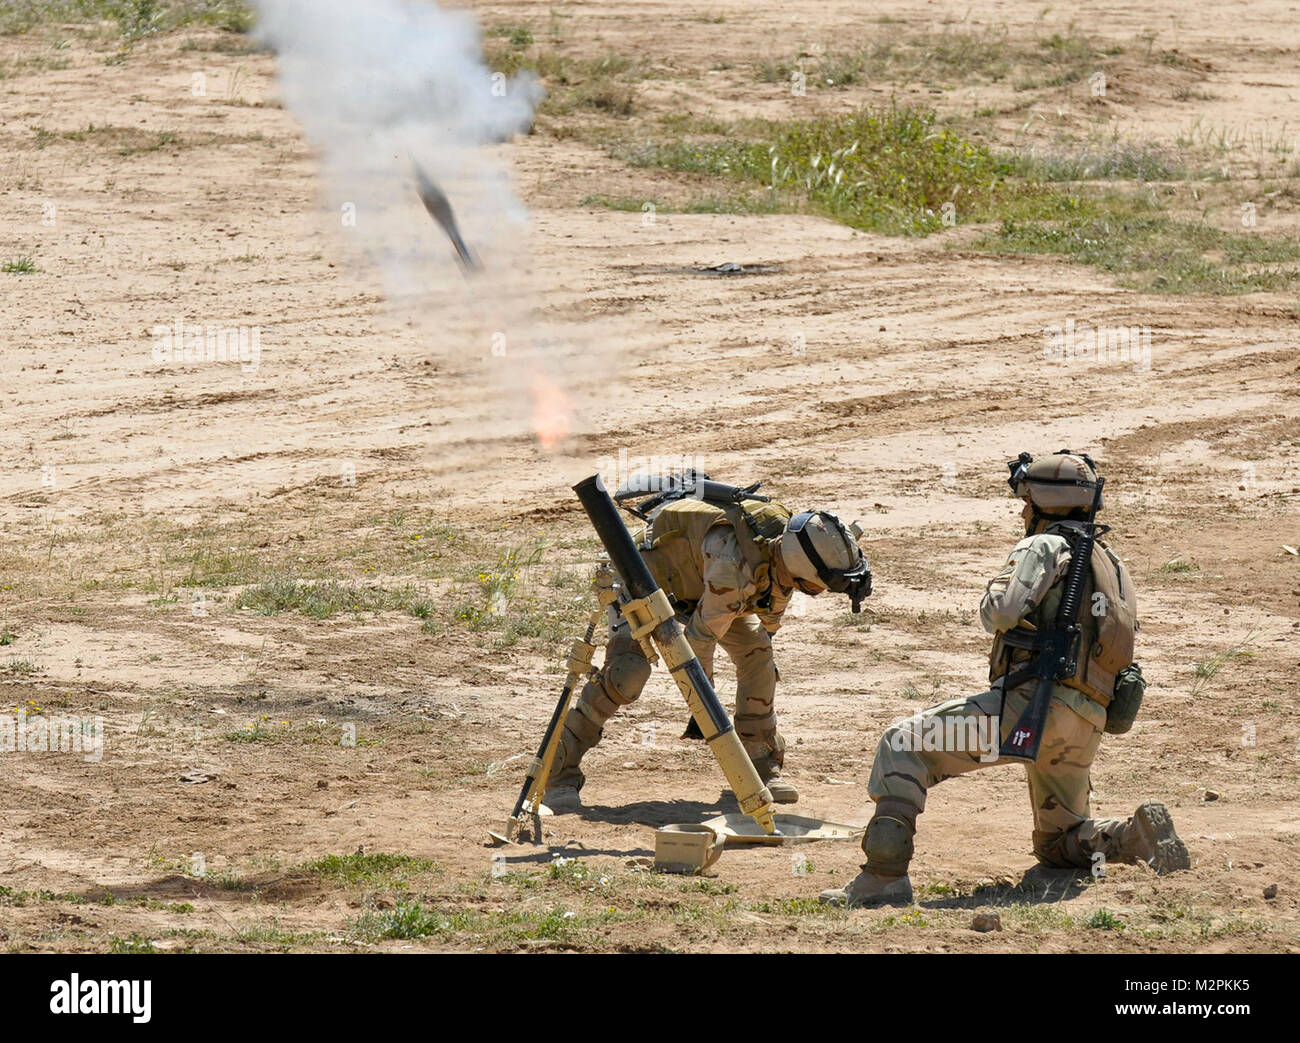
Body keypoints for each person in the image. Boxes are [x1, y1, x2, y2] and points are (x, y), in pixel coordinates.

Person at [821, 450, 1190, 908]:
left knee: (903, 746)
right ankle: (1132, 837)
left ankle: (882, 879)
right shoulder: (1113, 565)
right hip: (1086, 721)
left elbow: (1002, 611)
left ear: (1040, 501)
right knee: (1059, 844)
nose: (1022, 510)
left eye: (1026, 500)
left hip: (1031, 708)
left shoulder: (1046, 546)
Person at [546, 479, 871, 810]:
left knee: (758, 656)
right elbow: (695, 647)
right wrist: (703, 711)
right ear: (807, 577)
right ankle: (559, 770)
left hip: (701, 592)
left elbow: (765, 622)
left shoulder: (780, 553)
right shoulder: (736, 566)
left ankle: (760, 764)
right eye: (819, 587)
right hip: (640, 578)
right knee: (627, 675)